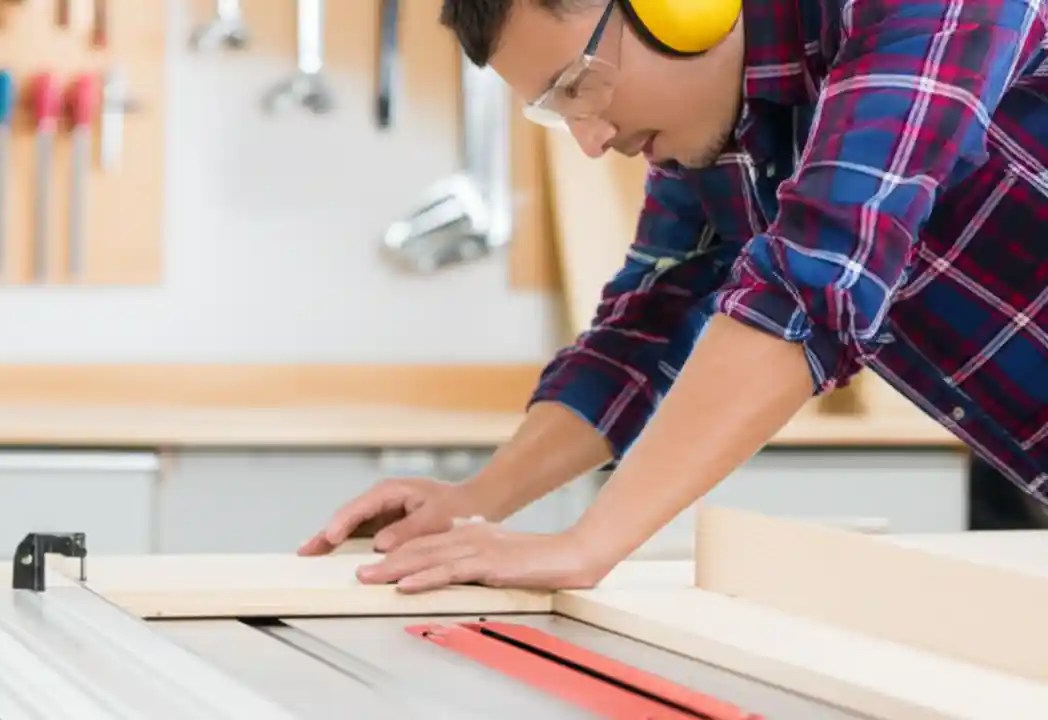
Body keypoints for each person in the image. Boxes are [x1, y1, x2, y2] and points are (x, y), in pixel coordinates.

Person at [298, 0, 1048, 592]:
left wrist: (589, 544)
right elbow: (639, 334)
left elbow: (819, 277)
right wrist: (475, 499)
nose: (589, 141)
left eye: (578, 86)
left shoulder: (923, 7)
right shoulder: (726, 129)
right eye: (556, 111)